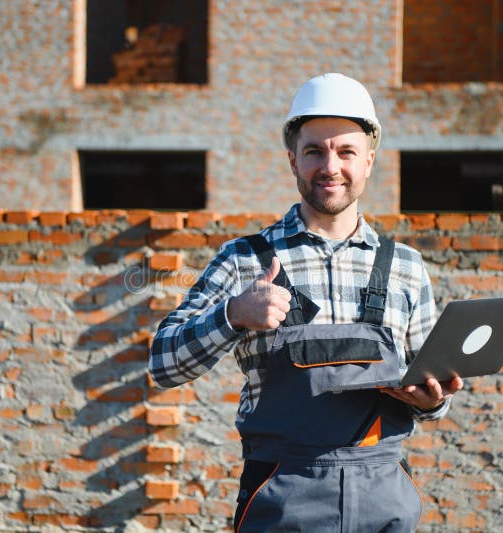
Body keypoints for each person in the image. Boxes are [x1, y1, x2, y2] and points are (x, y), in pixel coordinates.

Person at [149, 73, 464, 532]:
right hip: (282, 500)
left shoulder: (406, 267)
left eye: (346, 152)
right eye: (315, 150)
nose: (330, 166)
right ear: (292, 160)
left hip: (384, 501)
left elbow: (431, 393)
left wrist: (431, 400)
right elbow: (163, 364)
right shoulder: (244, 260)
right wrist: (232, 315)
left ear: (369, 162)